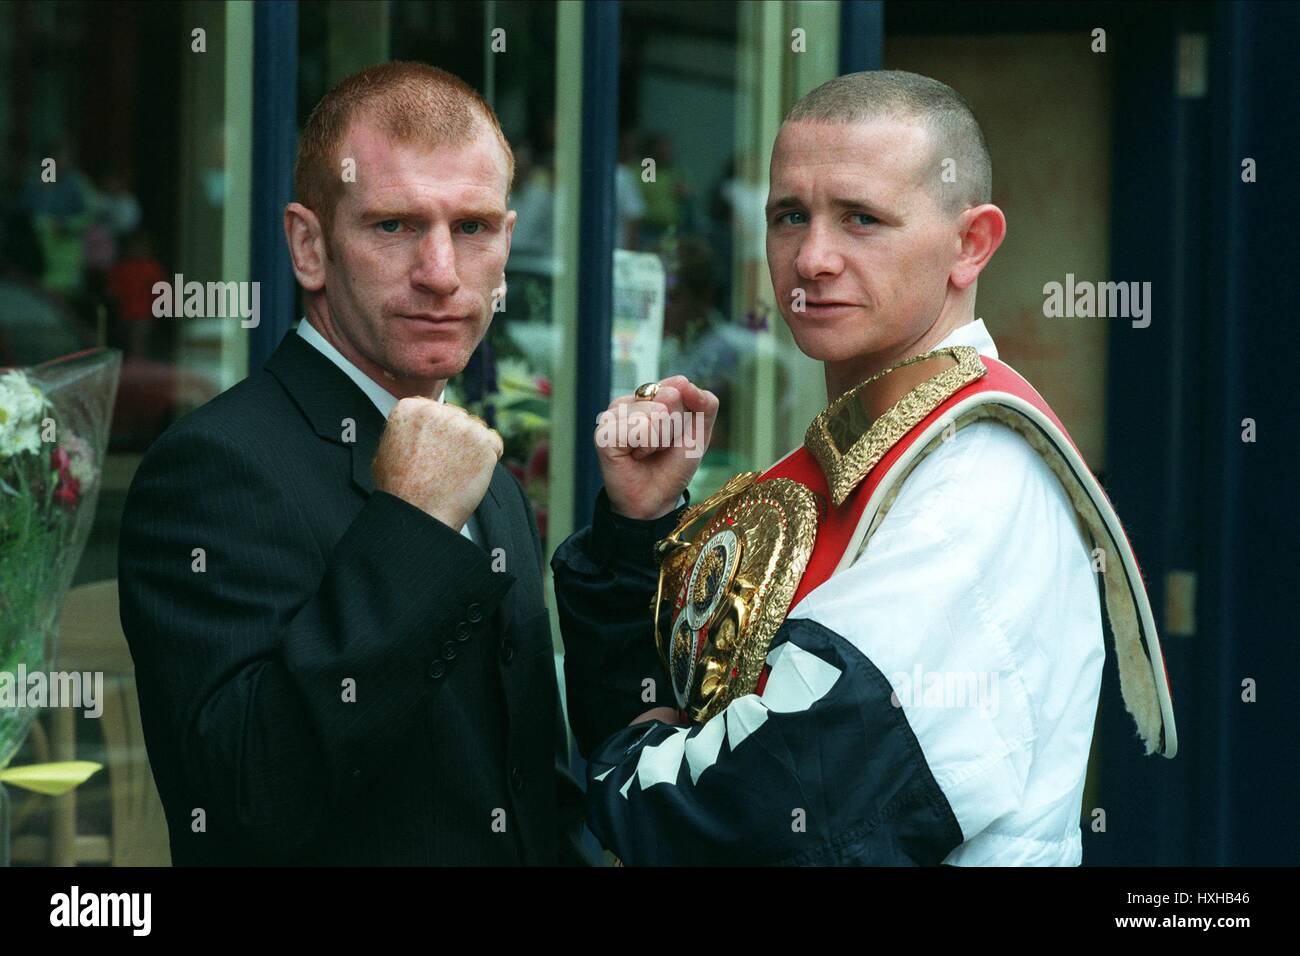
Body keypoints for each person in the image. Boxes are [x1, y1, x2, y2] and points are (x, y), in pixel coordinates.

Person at [551, 70, 1176, 866]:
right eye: (789, 216)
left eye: (861, 219)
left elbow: (772, 816)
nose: (813, 258)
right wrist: (638, 530)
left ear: (970, 243)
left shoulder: (977, 484)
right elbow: (679, 715)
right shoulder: (876, 441)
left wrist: (617, 770)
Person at [118, 62, 588, 865]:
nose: (440, 273)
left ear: (507, 245)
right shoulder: (212, 467)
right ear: (310, 245)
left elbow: (521, 780)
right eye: (394, 226)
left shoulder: (484, 475)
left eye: (471, 228)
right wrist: (408, 526)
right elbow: (245, 797)